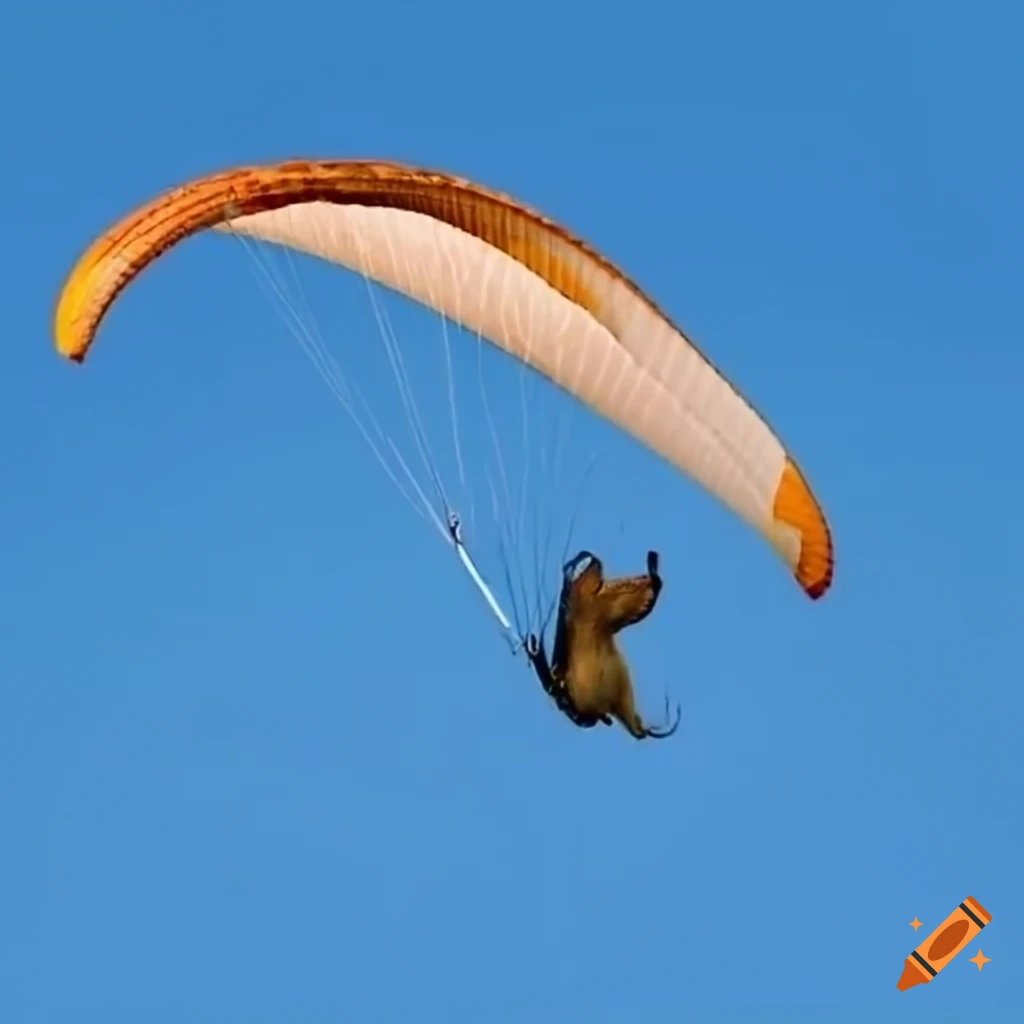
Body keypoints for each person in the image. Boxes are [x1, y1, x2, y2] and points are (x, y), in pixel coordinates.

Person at [526, 549, 679, 740]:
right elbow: (553, 689)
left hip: (583, 687)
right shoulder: (595, 616)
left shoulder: (587, 610)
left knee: (589, 611)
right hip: (586, 685)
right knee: (593, 612)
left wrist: (538, 659)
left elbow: (554, 689)